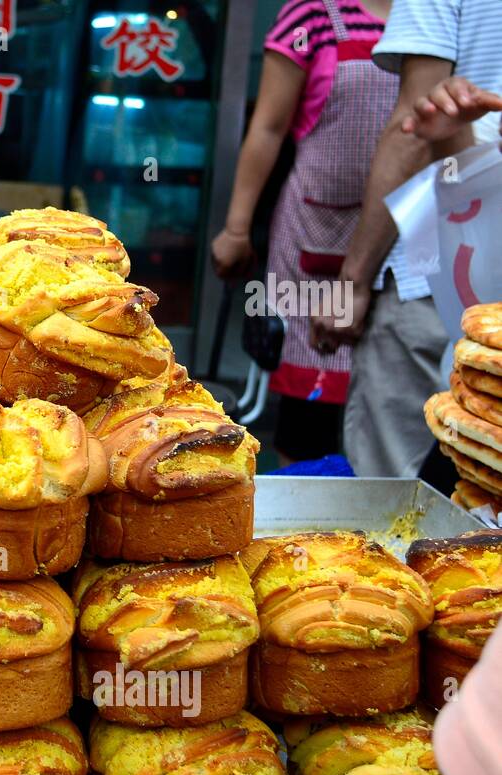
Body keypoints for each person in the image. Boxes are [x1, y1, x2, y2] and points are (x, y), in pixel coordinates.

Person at [311, 0, 502, 478]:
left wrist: (354, 280)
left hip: (438, 278)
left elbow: (416, 127)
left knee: (391, 501)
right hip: (459, 268)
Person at [212, 0, 393, 465]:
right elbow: (268, 128)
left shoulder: (433, 14)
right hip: (318, 233)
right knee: (312, 402)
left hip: (402, 240)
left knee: (387, 400)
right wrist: (236, 228)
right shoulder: (312, 14)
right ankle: (303, 530)